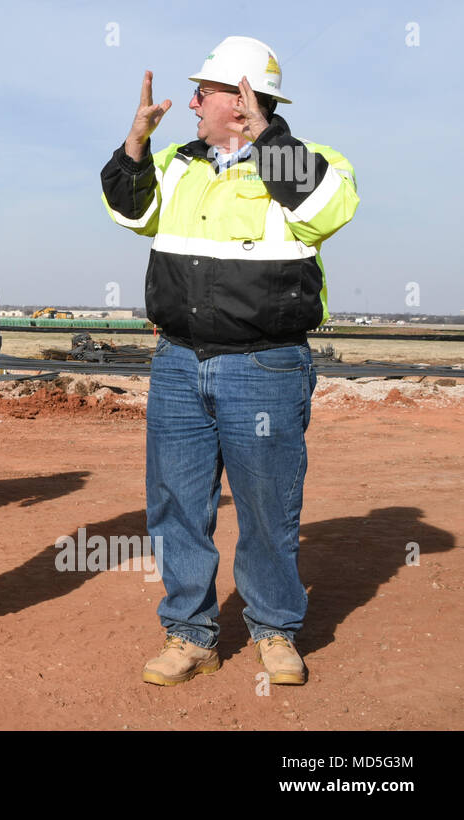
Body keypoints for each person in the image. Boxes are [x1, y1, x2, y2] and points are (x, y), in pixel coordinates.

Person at [100, 36, 359, 686]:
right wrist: (134, 143)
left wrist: (265, 137)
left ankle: (274, 630)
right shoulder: (179, 164)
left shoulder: (311, 163)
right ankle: (190, 636)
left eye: (204, 91)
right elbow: (127, 209)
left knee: (268, 506)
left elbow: (328, 208)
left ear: (241, 98)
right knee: (177, 504)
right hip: (180, 363)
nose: (190, 101)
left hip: (264, 367)